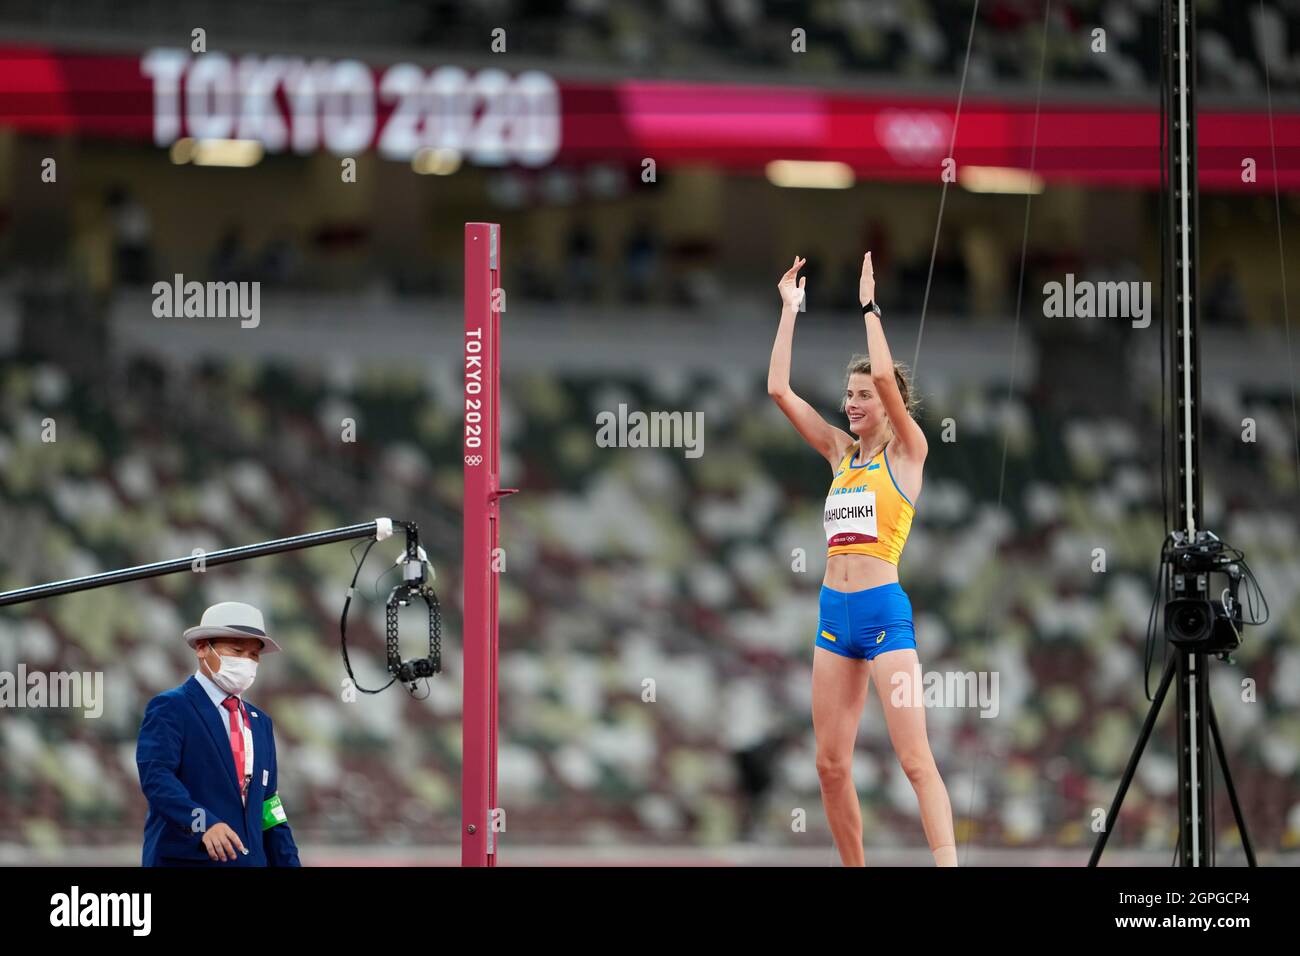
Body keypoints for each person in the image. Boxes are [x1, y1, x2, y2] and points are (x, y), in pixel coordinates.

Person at [767, 253, 957, 867]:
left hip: (882, 615)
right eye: (846, 395)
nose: (851, 403)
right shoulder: (838, 454)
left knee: (914, 760)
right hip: (833, 617)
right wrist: (789, 312)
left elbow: (882, 376)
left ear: (887, 400)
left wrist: (869, 307)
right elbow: (777, 389)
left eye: (862, 395)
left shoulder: (908, 453)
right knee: (829, 765)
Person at [136, 601, 301, 867]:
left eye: (253, 655)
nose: (246, 662)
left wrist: (289, 862)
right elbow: (157, 778)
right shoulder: (171, 707)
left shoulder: (261, 723)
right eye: (237, 650)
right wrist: (202, 822)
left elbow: (269, 805)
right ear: (202, 647)